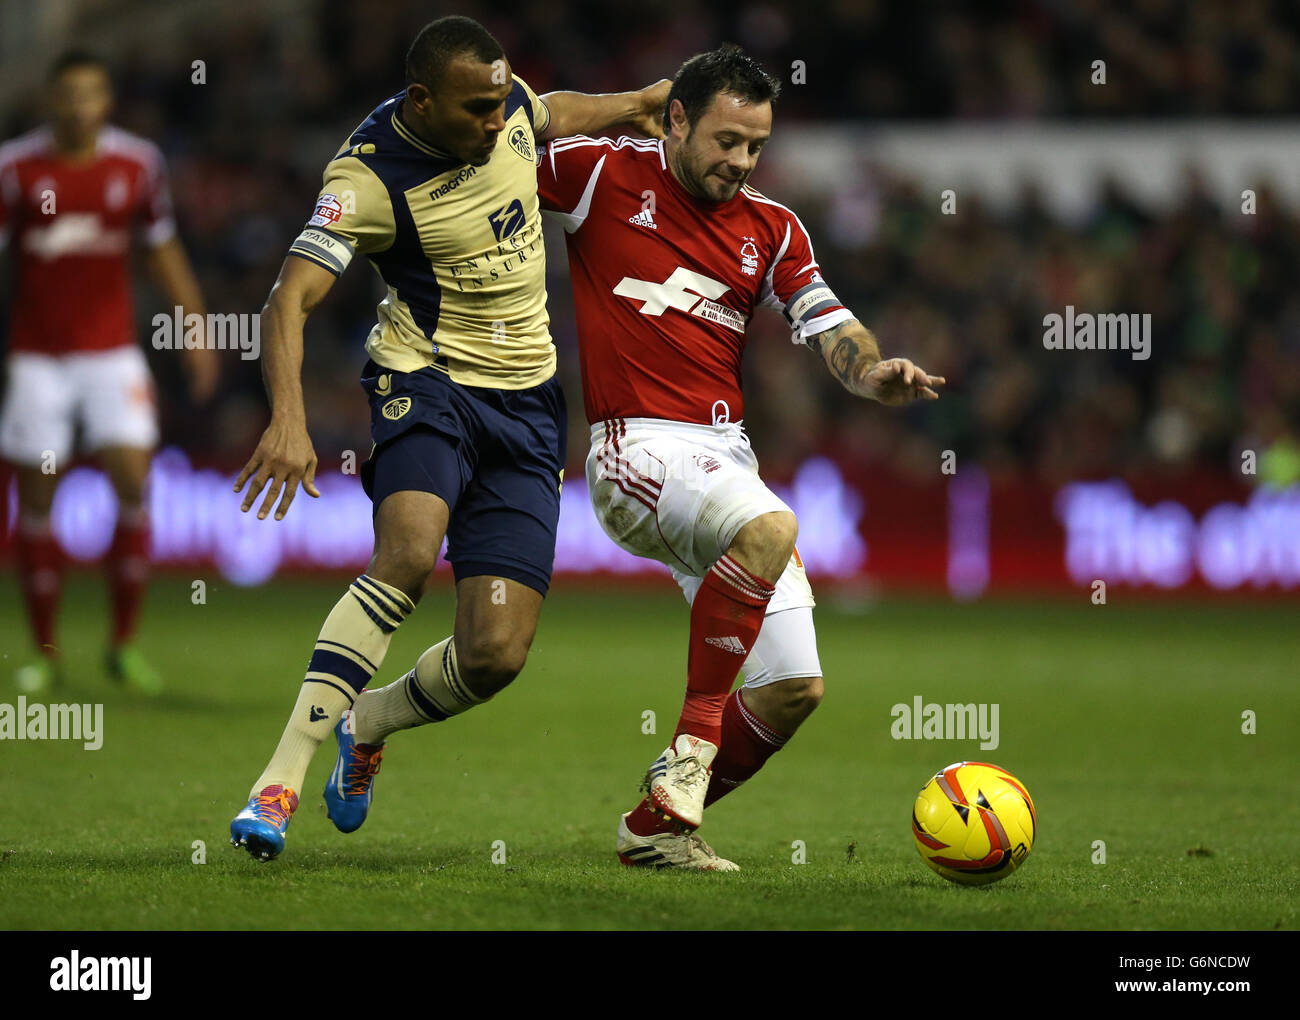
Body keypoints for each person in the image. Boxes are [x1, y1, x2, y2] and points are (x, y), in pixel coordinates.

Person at [229, 15, 669, 861]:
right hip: (424, 383)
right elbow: (287, 297)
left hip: (529, 405)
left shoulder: (504, 110)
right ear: (422, 100)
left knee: (496, 654)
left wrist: (632, 104)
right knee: (407, 550)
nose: (493, 122)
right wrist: (287, 418)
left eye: (499, 104)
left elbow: (553, 113)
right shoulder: (363, 179)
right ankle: (278, 781)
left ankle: (368, 725)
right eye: (474, 110)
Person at [537, 45, 944, 869]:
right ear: (677, 120)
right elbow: (509, 129)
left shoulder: (773, 226)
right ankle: (688, 752)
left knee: (795, 689)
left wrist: (870, 370)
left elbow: (829, 322)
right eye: (726, 141)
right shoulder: (599, 176)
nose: (740, 162)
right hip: (634, 446)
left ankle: (653, 830)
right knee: (771, 527)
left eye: (755, 146)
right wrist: (624, 103)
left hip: (723, 457)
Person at [0, 50, 216, 696]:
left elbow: (161, 248)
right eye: (68, 94)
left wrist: (195, 328)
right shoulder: (15, 169)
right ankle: (44, 653)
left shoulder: (137, 165)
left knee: (132, 476)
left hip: (111, 353)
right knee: (37, 496)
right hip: (37, 357)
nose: (78, 106)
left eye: (90, 94)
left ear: (107, 101)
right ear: (51, 100)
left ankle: (123, 645)